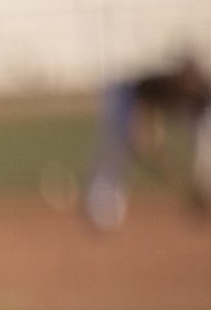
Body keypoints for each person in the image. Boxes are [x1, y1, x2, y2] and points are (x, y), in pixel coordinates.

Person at [82, 54, 210, 231]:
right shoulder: (162, 86)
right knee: (114, 150)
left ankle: (204, 193)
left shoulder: (199, 97)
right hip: (125, 98)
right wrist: (144, 141)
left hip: (143, 102)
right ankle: (101, 209)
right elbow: (141, 118)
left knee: (205, 147)